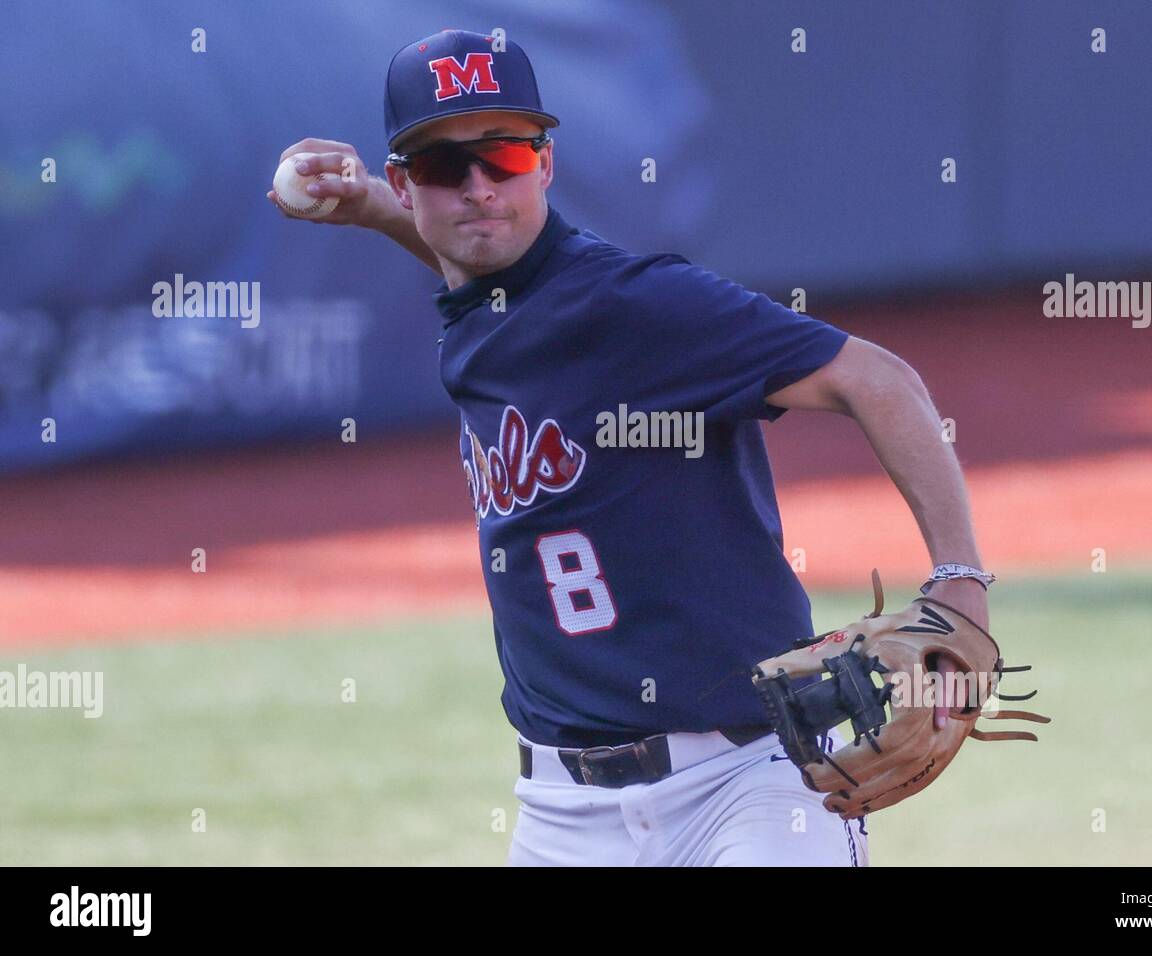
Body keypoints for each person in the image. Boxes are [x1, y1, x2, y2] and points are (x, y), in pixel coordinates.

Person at [271, 29, 995, 867]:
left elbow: (881, 379)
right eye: (442, 166)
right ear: (405, 180)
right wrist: (368, 208)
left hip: (745, 784)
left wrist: (960, 578)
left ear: (544, 162)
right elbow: (471, 262)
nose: (479, 188)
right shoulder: (480, 307)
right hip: (562, 811)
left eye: (503, 155)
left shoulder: (642, 305)